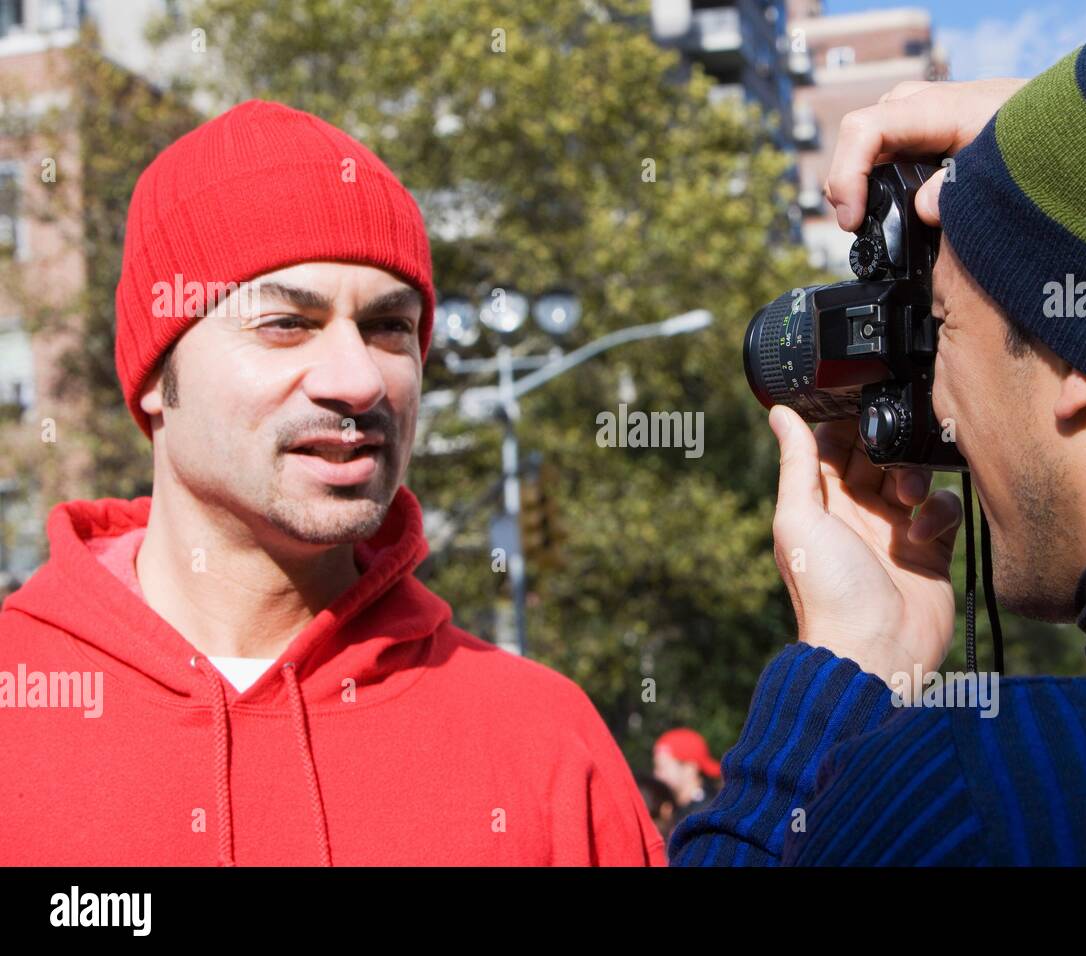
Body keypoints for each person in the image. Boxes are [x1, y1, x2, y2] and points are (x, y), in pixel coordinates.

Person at [672, 0, 1086, 865]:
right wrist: (1084, 135)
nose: (936, 396)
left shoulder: (989, 795)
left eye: (945, 325)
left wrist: (846, 667)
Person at [0, 100, 664, 867]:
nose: (357, 380)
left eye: (388, 327)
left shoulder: (546, 739)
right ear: (156, 374)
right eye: (285, 323)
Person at [652, 728, 721, 827]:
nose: (657, 774)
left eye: (662, 767)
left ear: (690, 769)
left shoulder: (705, 816)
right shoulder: (674, 810)